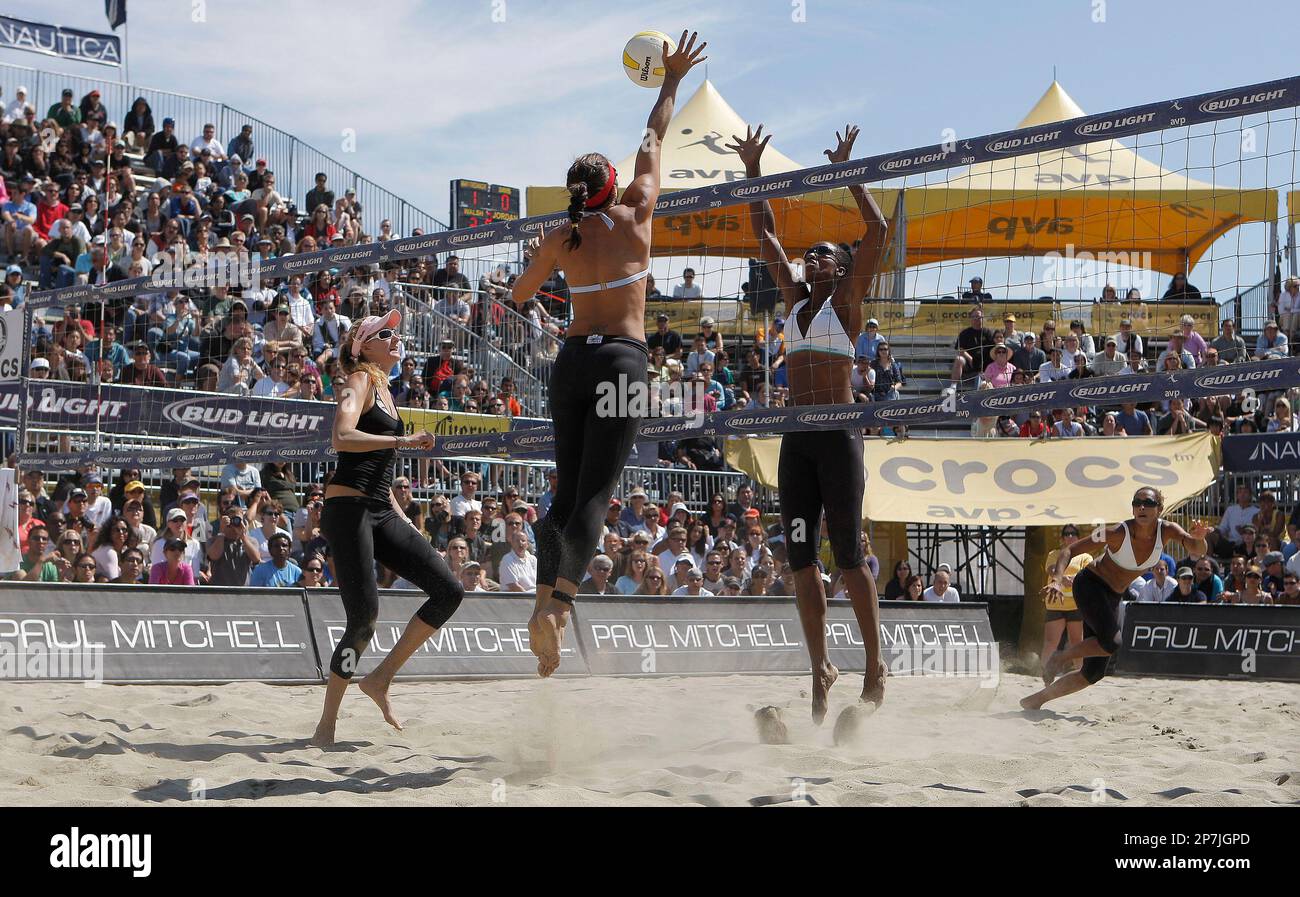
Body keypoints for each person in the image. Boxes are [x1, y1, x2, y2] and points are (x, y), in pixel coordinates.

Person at [508, 31, 707, 679]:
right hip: (622, 360)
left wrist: (550, 261)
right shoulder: (636, 212)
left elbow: (518, 294)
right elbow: (655, 138)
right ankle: (559, 611)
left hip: (571, 362)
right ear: (612, 184)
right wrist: (670, 81)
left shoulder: (560, 235)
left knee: (566, 495)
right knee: (597, 494)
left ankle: (543, 603)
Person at [731, 118, 888, 721]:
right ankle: (820, 666)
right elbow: (766, 234)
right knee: (802, 562)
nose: (814, 256)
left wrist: (849, 171)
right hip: (797, 439)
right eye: (812, 252)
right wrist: (752, 171)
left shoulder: (848, 305)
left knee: (849, 558)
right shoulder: (794, 304)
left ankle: (874, 663)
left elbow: (875, 229)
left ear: (841, 268)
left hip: (838, 435)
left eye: (827, 254)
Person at [311, 309, 463, 747]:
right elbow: (341, 437)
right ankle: (327, 724)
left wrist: (401, 517)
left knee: (449, 590)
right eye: (386, 333)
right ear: (365, 345)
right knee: (364, 619)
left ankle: (379, 679)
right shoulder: (358, 380)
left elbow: (379, 469)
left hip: (379, 506)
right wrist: (402, 440)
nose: (396, 338)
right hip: (348, 507)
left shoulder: (387, 389)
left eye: (396, 332)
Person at [1022, 488, 1210, 710]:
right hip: (1090, 585)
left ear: (1159, 509)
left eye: (1148, 503)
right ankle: (1060, 657)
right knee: (1112, 643)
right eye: (1137, 502)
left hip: (1111, 595)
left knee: (1093, 673)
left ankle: (1035, 701)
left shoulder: (1167, 530)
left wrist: (1200, 539)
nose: (1141, 507)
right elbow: (1070, 551)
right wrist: (1056, 579)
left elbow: (1196, 548)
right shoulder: (1117, 532)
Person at [1041, 525, 1088, 682]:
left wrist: (1075, 579)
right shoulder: (1054, 554)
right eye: (1066, 534)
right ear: (1062, 538)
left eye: (1073, 533)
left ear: (1078, 537)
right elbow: (1051, 569)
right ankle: (1045, 675)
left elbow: (1088, 575)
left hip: (1076, 603)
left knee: (1077, 641)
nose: (1070, 536)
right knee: (1051, 641)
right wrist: (1061, 578)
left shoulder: (1084, 557)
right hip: (1056, 603)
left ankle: (1080, 675)